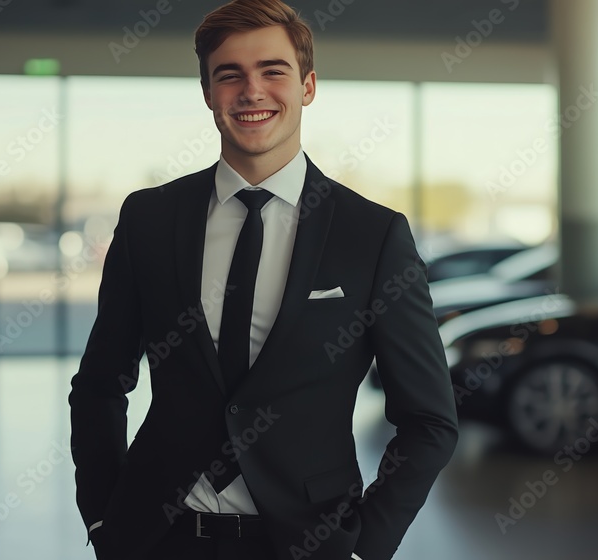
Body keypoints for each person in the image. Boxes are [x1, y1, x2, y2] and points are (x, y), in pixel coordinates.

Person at [68, 1, 458, 558]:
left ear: (308, 86)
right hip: (157, 537)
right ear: (207, 92)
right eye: (230, 75)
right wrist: (103, 519)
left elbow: (429, 420)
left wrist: (365, 546)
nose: (252, 91)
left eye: (273, 71)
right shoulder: (149, 219)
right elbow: (100, 384)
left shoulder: (372, 236)